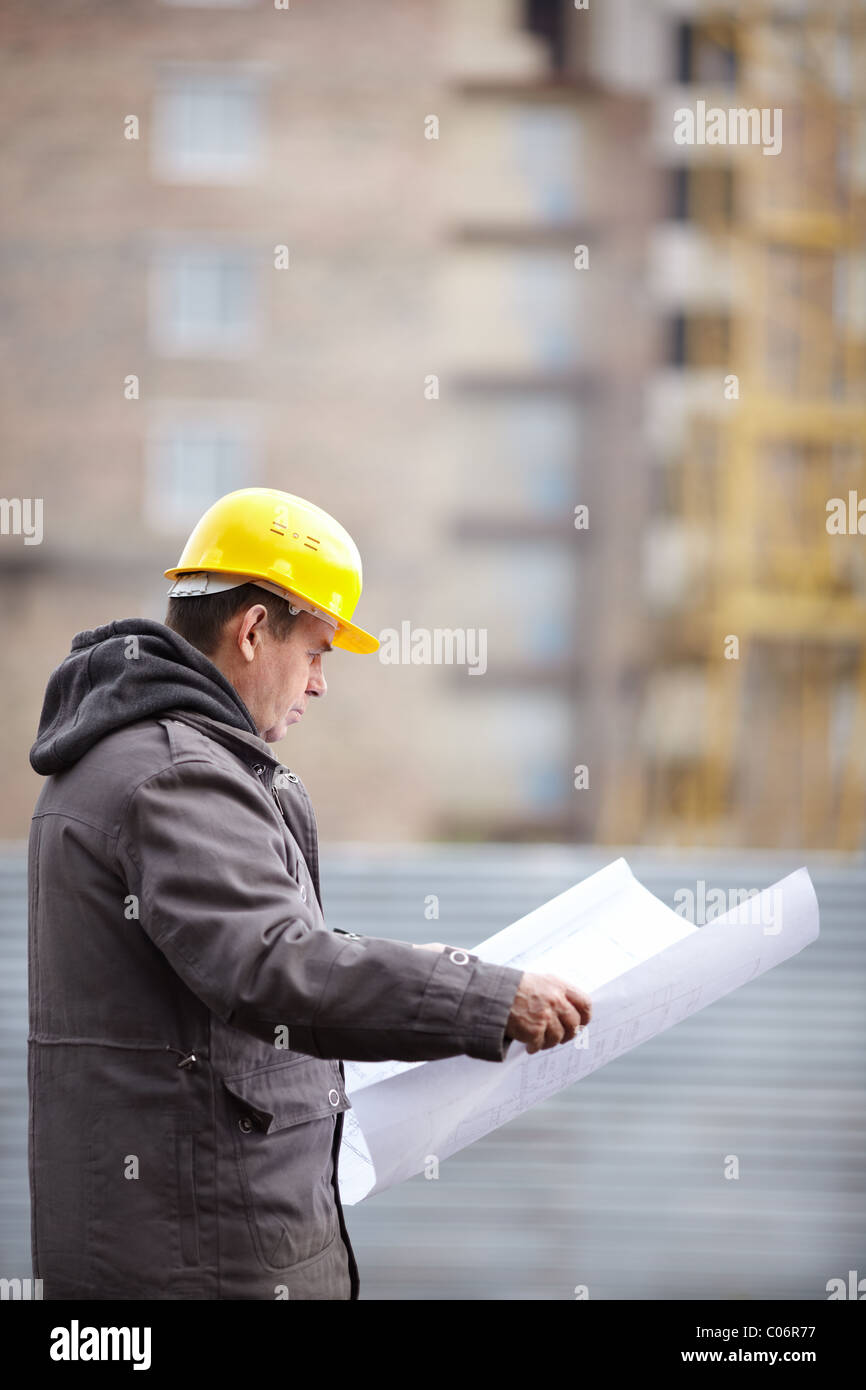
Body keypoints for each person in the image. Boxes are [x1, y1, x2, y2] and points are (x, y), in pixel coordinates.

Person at [27, 486, 591, 1300]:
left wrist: (406, 971)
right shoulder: (177, 775)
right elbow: (273, 968)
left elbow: (242, 958)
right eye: (318, 651)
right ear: (254, 630)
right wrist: (483, 999)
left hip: (172, 1245)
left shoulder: (148, 756)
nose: (321, 685)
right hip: (202, 1265)